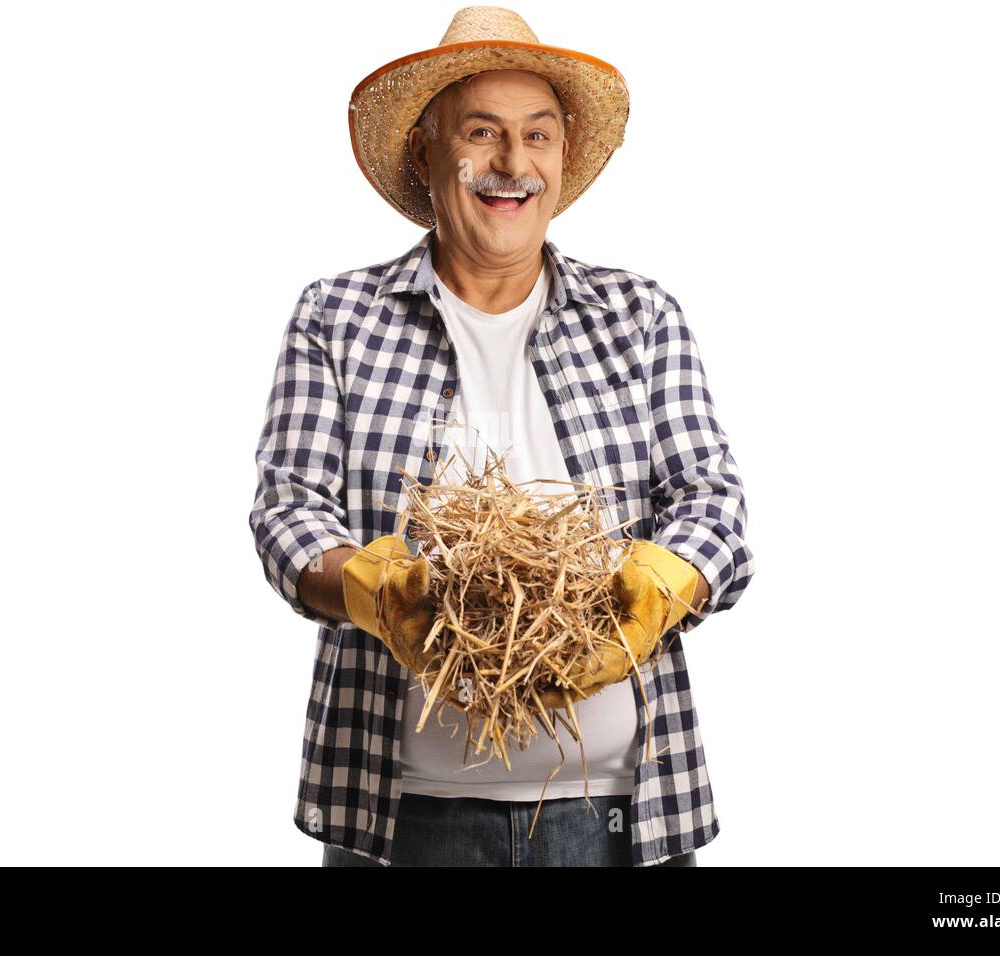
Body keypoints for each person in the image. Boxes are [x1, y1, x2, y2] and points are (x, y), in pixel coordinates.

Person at [250, 6, 754, 867]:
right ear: (424, 151)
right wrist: (374, 588)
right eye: (481, 133)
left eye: (538, 136)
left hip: (617, 818)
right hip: (404, 820)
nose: (513, 166)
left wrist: (659, 584)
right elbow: (287, 511)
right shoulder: (337, 317)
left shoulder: (638, 316)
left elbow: (714, 503)